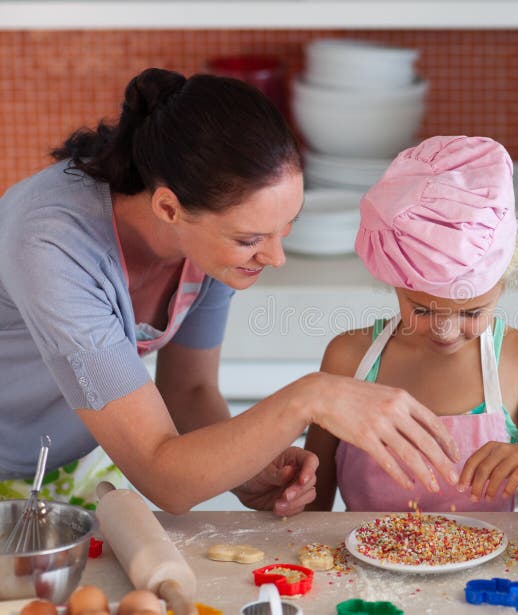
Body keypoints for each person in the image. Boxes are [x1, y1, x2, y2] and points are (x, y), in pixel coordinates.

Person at [0, 67, 460, 516]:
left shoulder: (204, 246)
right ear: (168, 207)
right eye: (250, 239)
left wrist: (246, 468)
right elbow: (163, 476)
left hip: (75, 459)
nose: (275, 257)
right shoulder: (52, 246)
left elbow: (190, 391)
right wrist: (311, 398)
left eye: (285, 229)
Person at [305, 136, 518, 513]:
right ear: (393, 281)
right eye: (423, 310)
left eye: (471, 313)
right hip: (362, 572)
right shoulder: (350, 358)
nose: (445, 331)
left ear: (503, 282)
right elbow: (310, 510)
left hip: (491, 573)